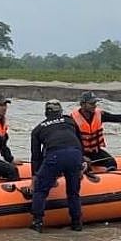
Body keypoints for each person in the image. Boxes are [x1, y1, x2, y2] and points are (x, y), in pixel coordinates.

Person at [29, 99, 85, 233]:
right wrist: (81, 163)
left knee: (40, 190)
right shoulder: (70, 121)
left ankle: (37, 222)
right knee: (73, 192)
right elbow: (79, 141)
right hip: (75, 155)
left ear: (46, 113)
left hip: (55, 156)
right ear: (60, 111)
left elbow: (36, 156)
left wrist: (34, 176)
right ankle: (77, 223)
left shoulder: (38, 129)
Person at [70, 91, 121, 171]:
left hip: (95, 151)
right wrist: (82, 157)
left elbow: (119, 118)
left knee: (111, 163)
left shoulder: (99, 114)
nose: (94, 106)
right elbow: (71, 142)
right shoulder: (73, 120)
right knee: (84, 167)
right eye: (91, 103)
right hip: (80, 153)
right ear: (82, 104)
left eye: (95, 103)